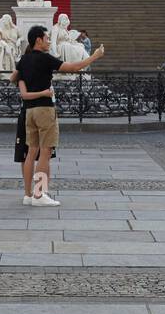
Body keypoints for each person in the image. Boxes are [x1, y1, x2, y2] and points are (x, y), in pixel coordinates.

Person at [18, 24, 105, 207]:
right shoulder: (45, 58)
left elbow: (15, 78)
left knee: (31, 151)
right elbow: (73, 67)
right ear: (38, 40)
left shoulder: (24, 59)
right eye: (47, 38)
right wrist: (94, 57)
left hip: (29, 111)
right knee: (45, 151)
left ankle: (27, 195)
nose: (49, 41)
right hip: (44, 110)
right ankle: (39, 194)